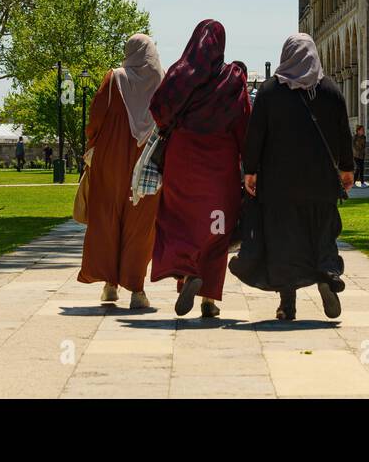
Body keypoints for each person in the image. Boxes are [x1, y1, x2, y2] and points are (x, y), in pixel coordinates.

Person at [234, 34, 353, 321]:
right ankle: (326, 275)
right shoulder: (331, 90)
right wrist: (347, 169)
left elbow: (256, 136)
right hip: (320, 183)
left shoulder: (270, 91)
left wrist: (250, 171)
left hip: (279, 185)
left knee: (284, 242)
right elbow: (343, 135)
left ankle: (288, 304)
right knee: (322, 233)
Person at [149, 19, 250, 319]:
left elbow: (159, 110)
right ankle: (209, 299)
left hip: (183, 159)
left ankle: (187, 274)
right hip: (220, 163)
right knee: (217, 228)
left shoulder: (181, 73)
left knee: (180, 220)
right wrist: (250, 164)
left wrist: (175, 126)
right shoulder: (232, 79)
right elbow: (244, 122)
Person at [78, 34, 166, 310]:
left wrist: (92, 145)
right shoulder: (162, 84)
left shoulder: (114, 78)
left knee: (106, 218)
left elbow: (95, 118)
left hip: (110, 160)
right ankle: (137, 289)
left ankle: (110, 284)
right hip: (147, 162)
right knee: (140, 223)